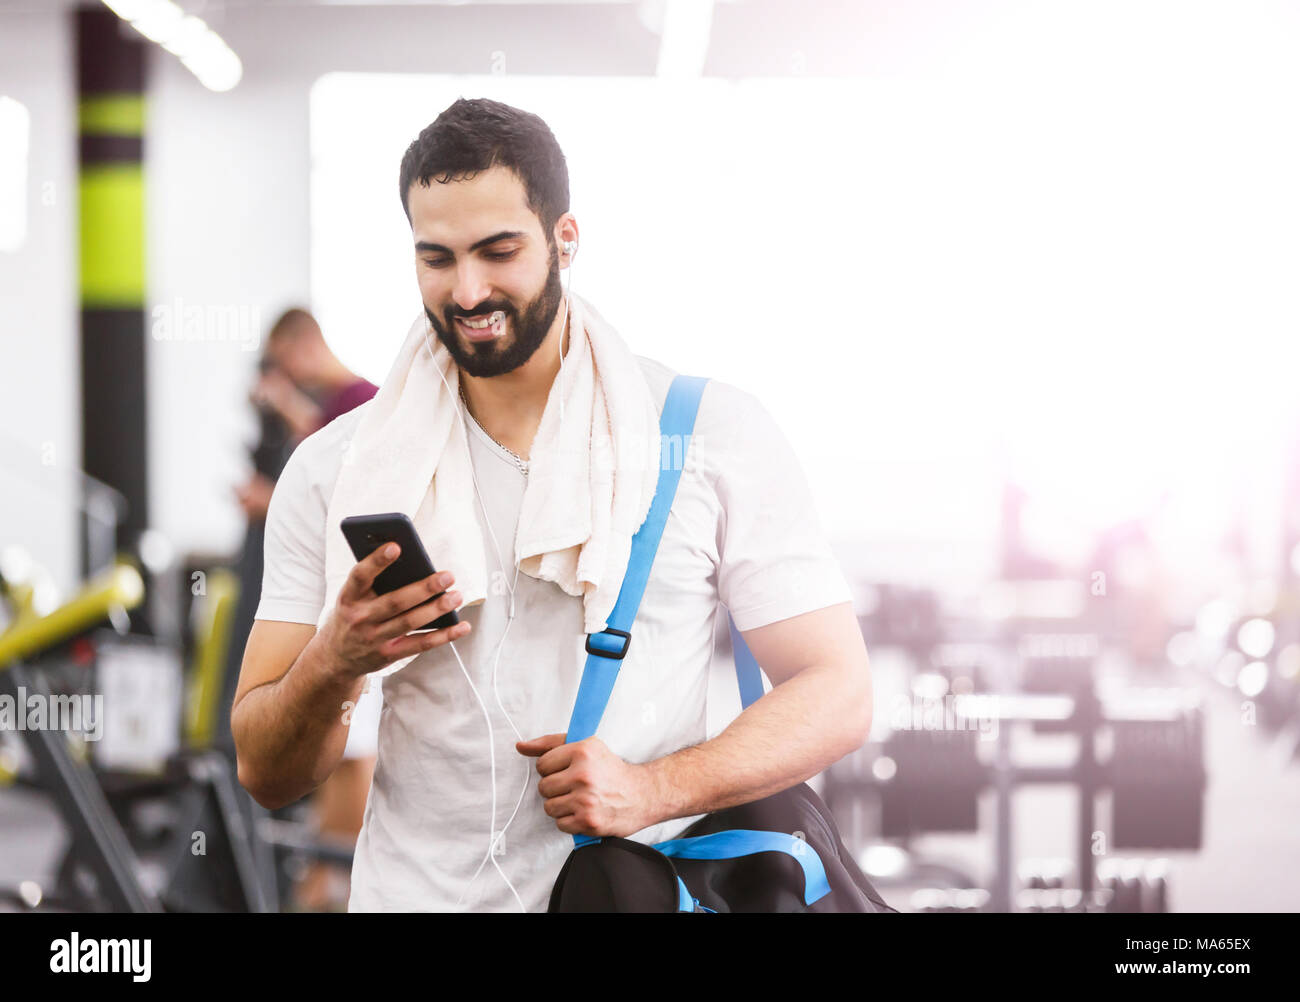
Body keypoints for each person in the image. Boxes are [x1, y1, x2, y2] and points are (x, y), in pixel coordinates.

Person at [232, 97, 873, 912]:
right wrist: (336, 659)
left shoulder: (706, 434)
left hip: (632, 895)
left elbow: (838, 690)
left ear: (564, 239)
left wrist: (652, 790)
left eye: (498, 251)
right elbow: (265, 772)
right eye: (437, 258)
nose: (468, 290)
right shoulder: (337, 469)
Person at [233, 307, 379, 911]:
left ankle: (329, 882)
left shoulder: (361, 405)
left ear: (302, 345)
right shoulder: (324, 414)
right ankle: (323, 879)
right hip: (317, 611)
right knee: (332, 751)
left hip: (356, 608)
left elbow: (345, 509)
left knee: (354, 752)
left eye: (285, 358)